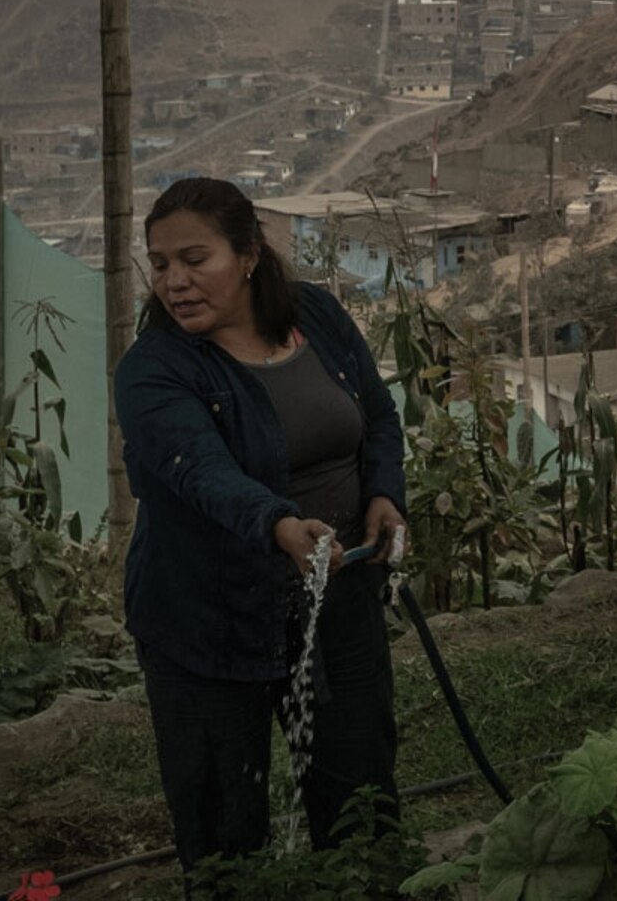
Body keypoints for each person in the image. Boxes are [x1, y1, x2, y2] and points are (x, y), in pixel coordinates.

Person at [114, 176, 408, 880]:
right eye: (160, 265)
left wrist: (385, 495)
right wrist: (277, 522)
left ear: (248, 255)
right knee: (224, 830)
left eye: (194, 259)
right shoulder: (154, 372)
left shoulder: (318, 317)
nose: (174, 282)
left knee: (360, 801)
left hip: (335, 605)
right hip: (208, 621)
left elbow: (377, 420)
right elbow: (203, 475)